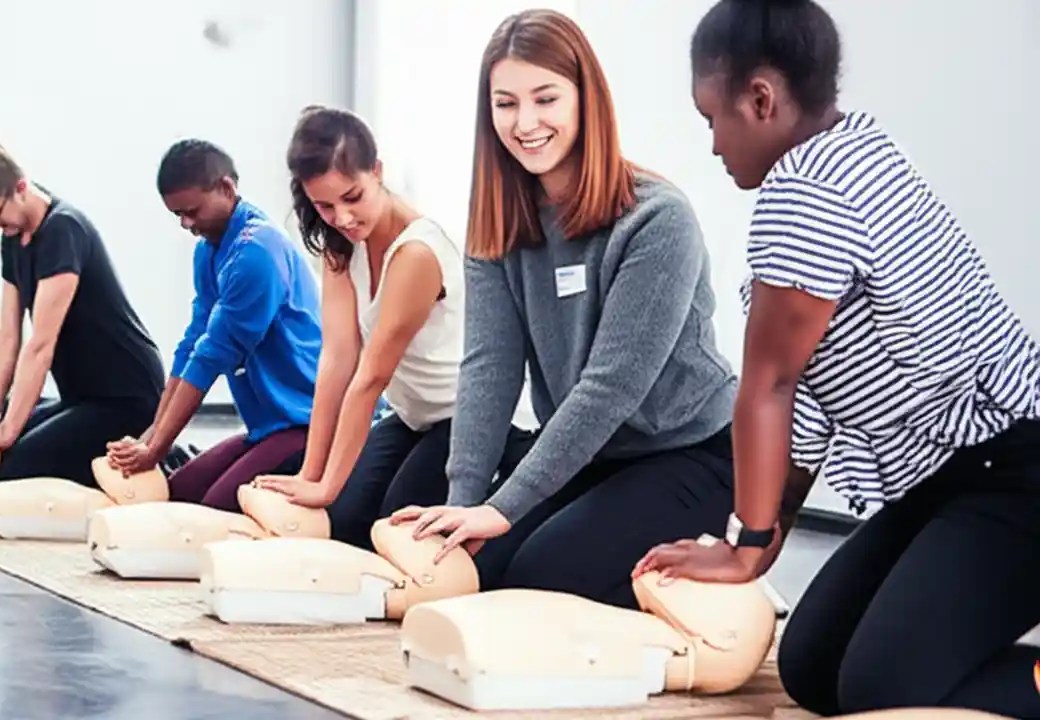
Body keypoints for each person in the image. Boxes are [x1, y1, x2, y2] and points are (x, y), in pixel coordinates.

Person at [634, 1, 1040, 717]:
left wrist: (746, 547)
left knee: (882, 692)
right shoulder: (855, 147)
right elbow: (812, 392)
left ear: (760, 100)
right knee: (812, 666)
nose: (713, 145)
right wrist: (766, 530)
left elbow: (770, 384)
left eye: (711, 119)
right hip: (946, 478)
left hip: (1016, 474)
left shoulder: (805, 194)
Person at [389, 8, 739, 611]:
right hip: (591, 455)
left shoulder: (657, 220)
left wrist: (503, 506)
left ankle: (713, 578)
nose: (525, 123)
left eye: (545, 99)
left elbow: (610, 388)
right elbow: (488, 367)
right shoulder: (499, 223)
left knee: (539, 580)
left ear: (586, 100)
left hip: (690, 453)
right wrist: (466, 501)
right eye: (506, 103)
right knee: (482, 572)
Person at [253, 105, 492, 550]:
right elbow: (339, 358)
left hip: (466, 417)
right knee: (342, 520)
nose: (341, 217)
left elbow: (371, 376)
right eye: (324, 205)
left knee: (388, 528)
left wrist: (325, 485)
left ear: (377, 171)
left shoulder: (417, 252)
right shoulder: (341, 244)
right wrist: (311, 472)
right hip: (412, 415)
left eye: (352, 197)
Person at [105, 139, 323, 512]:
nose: (187, 224)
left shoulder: (257, 251)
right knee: (181, 493)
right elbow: (194, 343)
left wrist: (156, 448)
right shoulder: (209, 249)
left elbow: (212, 357)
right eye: (178, 215)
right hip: (269, 425)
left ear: (226, 188)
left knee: (210, 509)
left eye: (192, 211)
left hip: (307, 421)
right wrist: (151, 436)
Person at [0, 142, 166, 487]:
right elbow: (7, 334)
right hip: (82, 396)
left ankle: (167, 457)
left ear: (20, 188)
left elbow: (40, 345)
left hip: (126, 397)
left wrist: (7, 430)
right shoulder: (12, 237)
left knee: (12, 472)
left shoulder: (63, 230)